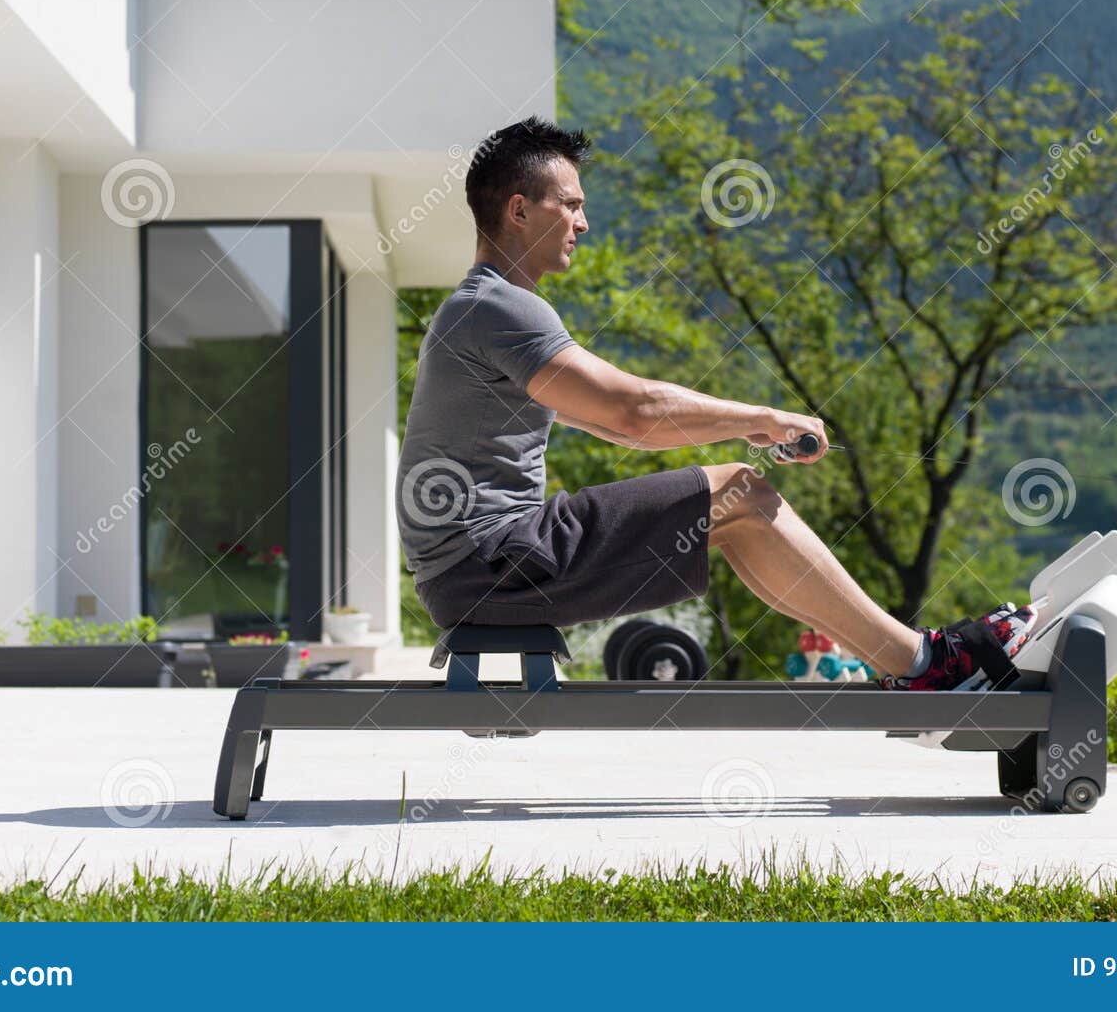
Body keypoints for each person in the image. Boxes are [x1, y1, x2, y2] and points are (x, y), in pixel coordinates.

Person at [396, 117, 1038, 690]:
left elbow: (616, 428)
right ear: (518, 211)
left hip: (479, 566)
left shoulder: (478, 307)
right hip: (495, 562)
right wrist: (763, 417)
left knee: (735, 510)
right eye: (571, 204)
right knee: (743, 496)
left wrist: (737, 432)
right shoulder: (498, 308)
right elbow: (634, 411)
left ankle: (913, 665)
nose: (584, 223)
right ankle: (931, 662)